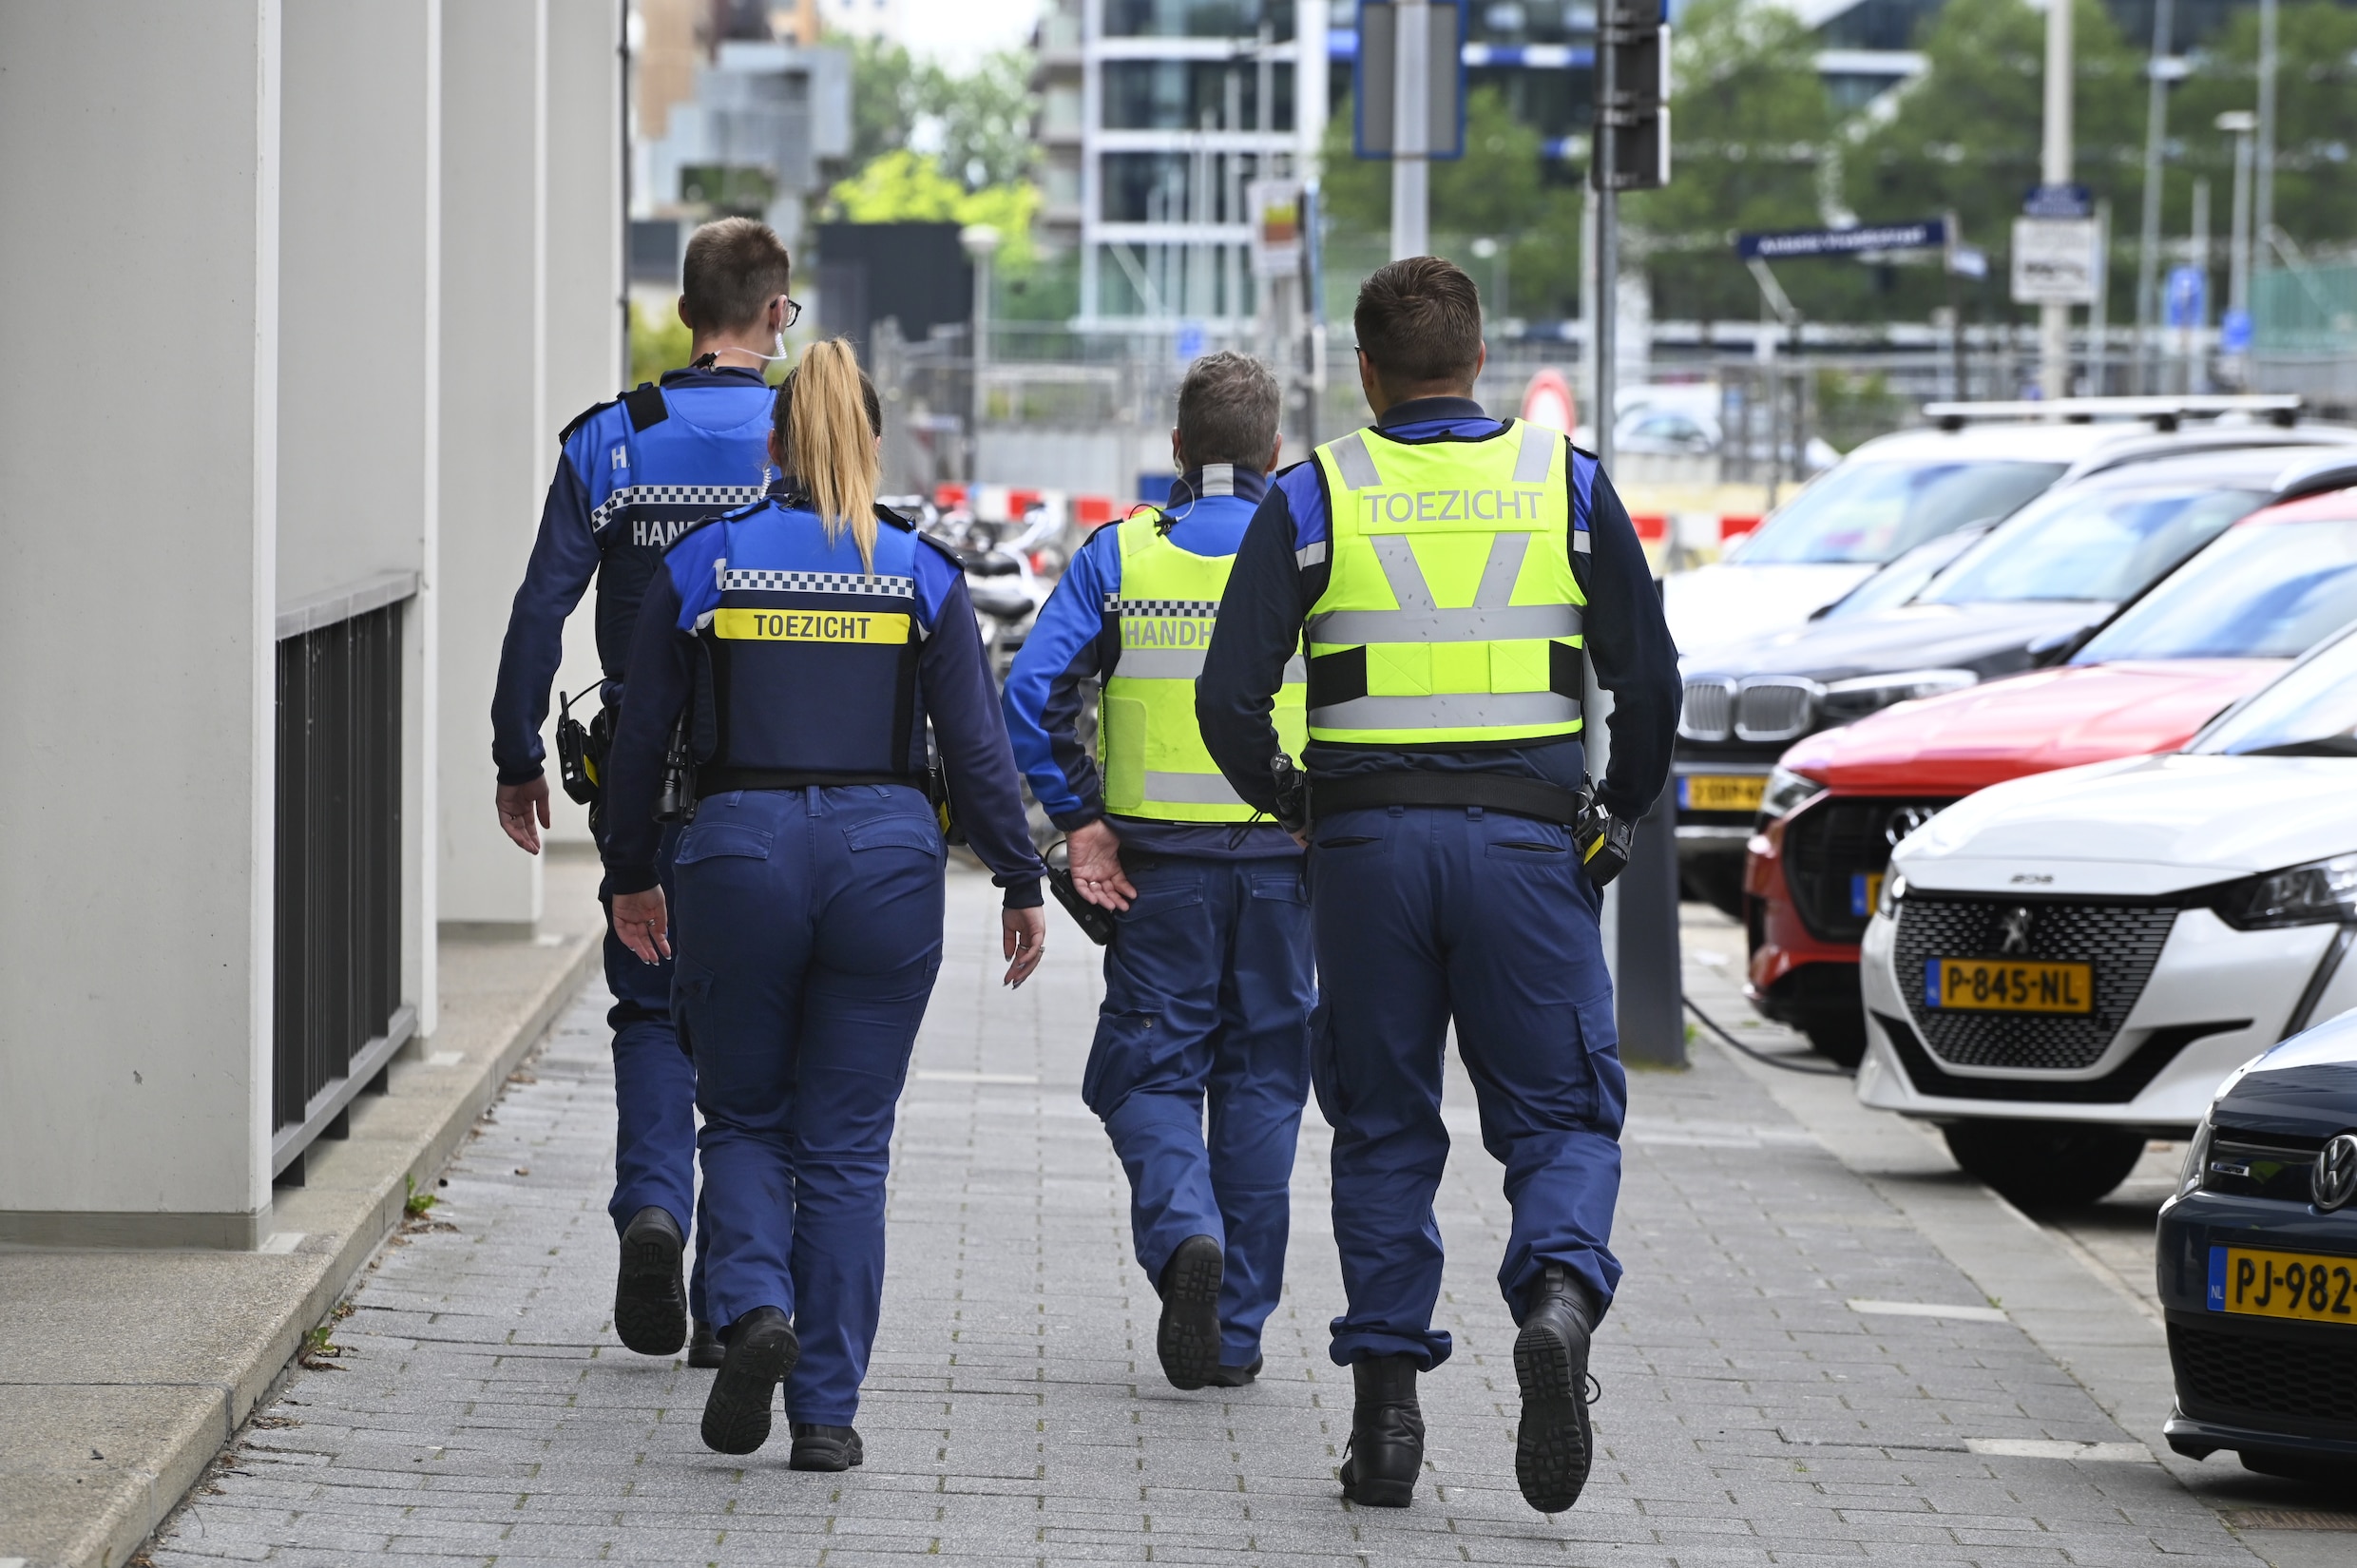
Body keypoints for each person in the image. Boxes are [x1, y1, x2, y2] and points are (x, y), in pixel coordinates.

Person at [1197, 257, 1678, 1514]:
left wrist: (1295, 798)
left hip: (1365, 854)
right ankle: (1559, 1299)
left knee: (1381, 1123)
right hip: (1527, 850)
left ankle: (1388, 1422)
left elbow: (1225, 698)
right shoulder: (1563, 484)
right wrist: (1615, 812)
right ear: (1481, 359)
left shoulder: (1314, 493)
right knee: (1564, 1114)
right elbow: (1655, 680)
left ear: (1364, 371)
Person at [601, 339, 1049, 1467]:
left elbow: (641, 738)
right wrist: (1017, 876)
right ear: (872, 443)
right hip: (886, 860)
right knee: (847, 1148)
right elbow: (979, 753)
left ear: (772, 439)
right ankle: (827, 1418)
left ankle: (754, 1306)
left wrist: (627, 872)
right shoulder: (919, 569)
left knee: (745, 1115)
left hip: (737, 854)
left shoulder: (706, 564)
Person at [489, 218, 795, 1369]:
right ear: (775, 313)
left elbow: (539, 610)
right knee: (760, 1040)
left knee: (651, 1012)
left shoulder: (613, 444)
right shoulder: (800, 438)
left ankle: (653, 1207)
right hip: (773, 785)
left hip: (641, 782)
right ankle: (733, 1291)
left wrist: (517, 752)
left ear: (681, 312)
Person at [1001, 352, 1314, 1392]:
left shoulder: (1124, 553)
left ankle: (1185, 1232)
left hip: (1158, 877)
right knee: (1264, 1089)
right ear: (1273, 450)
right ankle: (1230, 1337)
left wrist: (1081, 821)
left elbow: (1030, 695)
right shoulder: (1317, 548)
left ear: (1175, 450)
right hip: (1287, 872)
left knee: (1145, 1075)